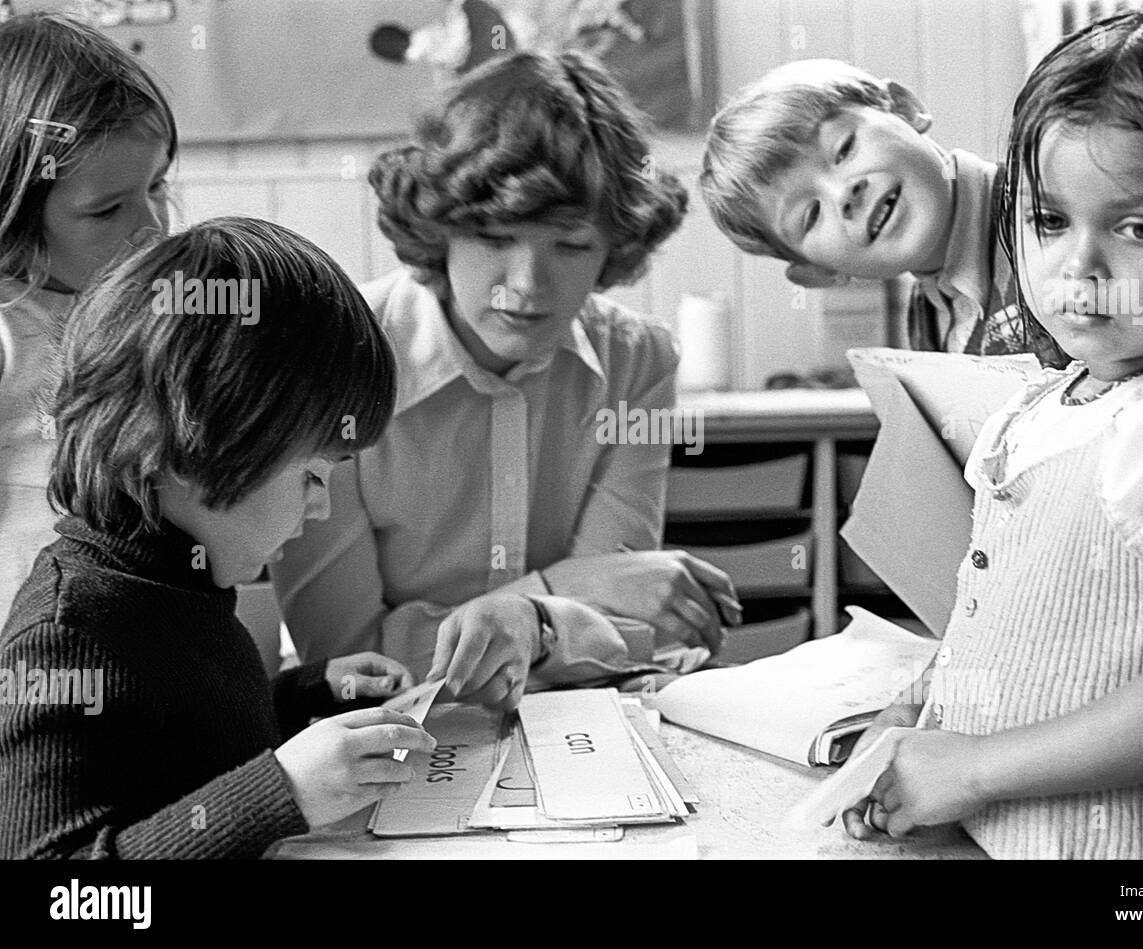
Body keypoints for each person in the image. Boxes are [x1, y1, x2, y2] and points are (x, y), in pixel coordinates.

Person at [838, 11, 1143, 859]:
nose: (1078, 269)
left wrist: (973, 767)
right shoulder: (1032, 412)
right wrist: (922, 721)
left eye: (1137, 228)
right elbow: (1001, 628)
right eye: (1051, 221)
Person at [273, 51, 742, 688]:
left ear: (614, 248)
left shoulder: (637, 360)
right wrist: (555, 598)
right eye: (496, 239)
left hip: (574, 722)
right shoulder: (328, 360)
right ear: (438, 230)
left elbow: (631, 628)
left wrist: (539, 620)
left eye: (572, 245)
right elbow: (351, 662)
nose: (526, 285)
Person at [0, 219, 446, 858]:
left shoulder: (181, 579)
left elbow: (191, 746)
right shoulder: (63, 640)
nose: (320, 507)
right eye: (312, 474)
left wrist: (307, 693)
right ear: (187, 449)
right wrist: (283, 790)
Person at [700, 57, 1064, 365]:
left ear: (904, 110)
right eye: (810, 214)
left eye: (844, 149)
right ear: (820, 273)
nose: (843, 194)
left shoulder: (1056, 216)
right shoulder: (926, 320)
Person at [0, 11, 175, 616]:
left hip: (129, 637)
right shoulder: (8, 332)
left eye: (157, 187)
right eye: (107, 211)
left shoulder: (152, 315)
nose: (151, 227)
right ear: (14, 213)